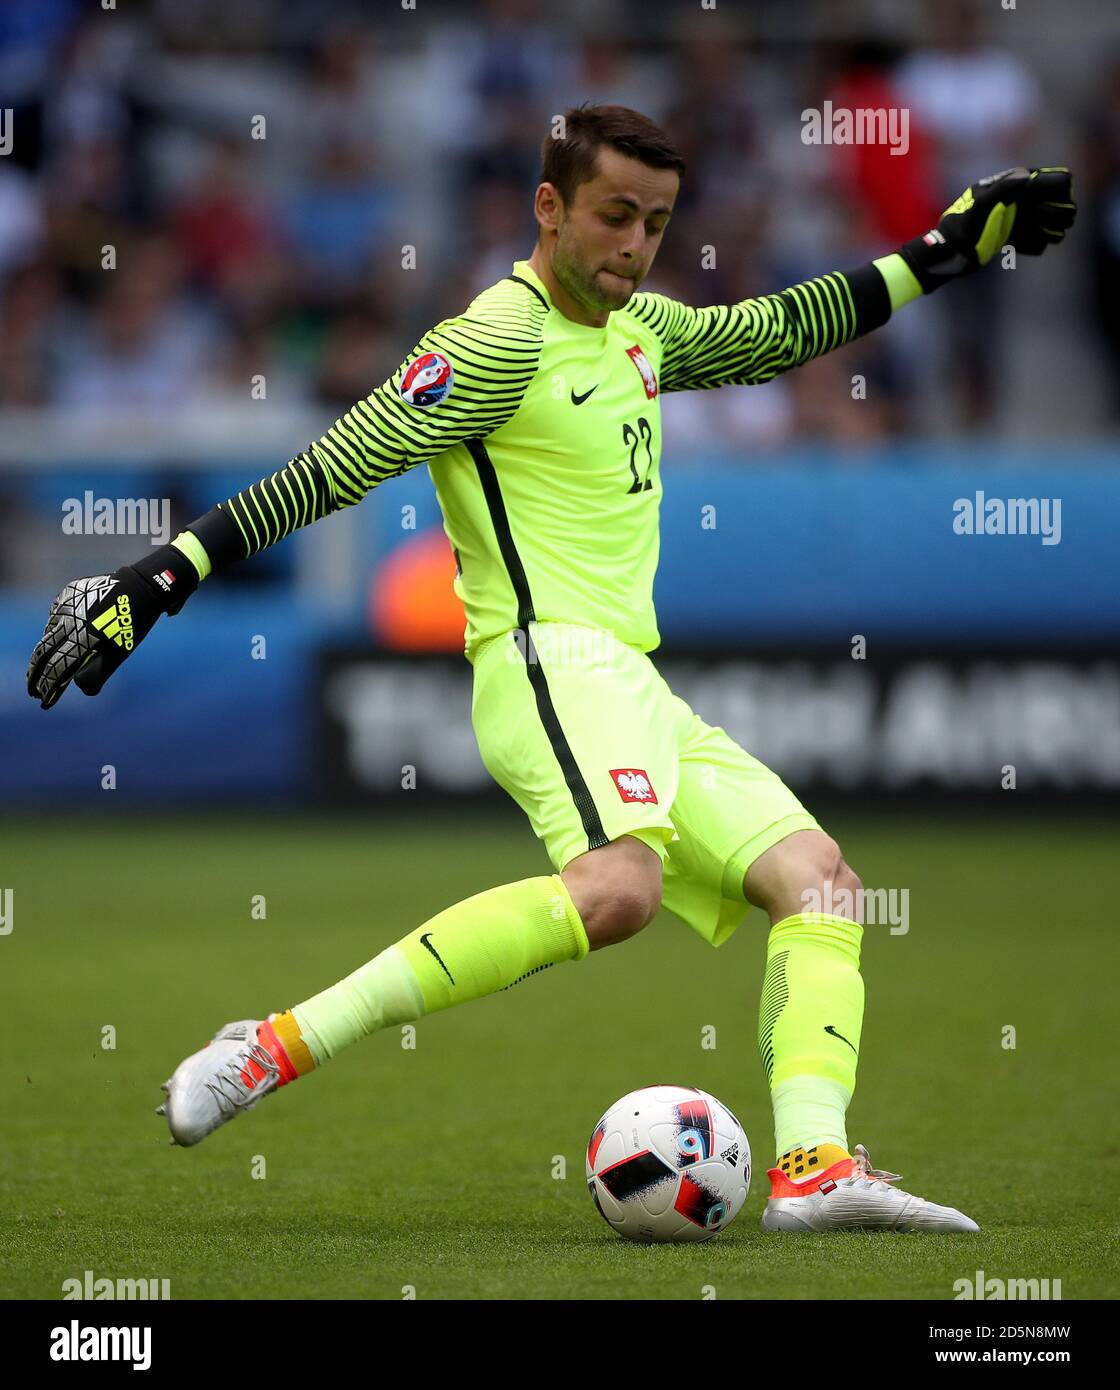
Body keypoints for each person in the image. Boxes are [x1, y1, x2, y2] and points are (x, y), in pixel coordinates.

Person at [27, 104, 1075, 1233]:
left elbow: (779, 329)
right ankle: (268, 1049)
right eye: (614, 215)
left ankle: (814, 1165)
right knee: (618, 890)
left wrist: (944, 251)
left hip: (630, 681)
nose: (634, 244)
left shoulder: (644, 333)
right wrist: (157, 579)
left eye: (656, 222)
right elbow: (337, 462)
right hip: (542, 660)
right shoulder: (495, 339)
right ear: (548, 208)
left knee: (818, 884)